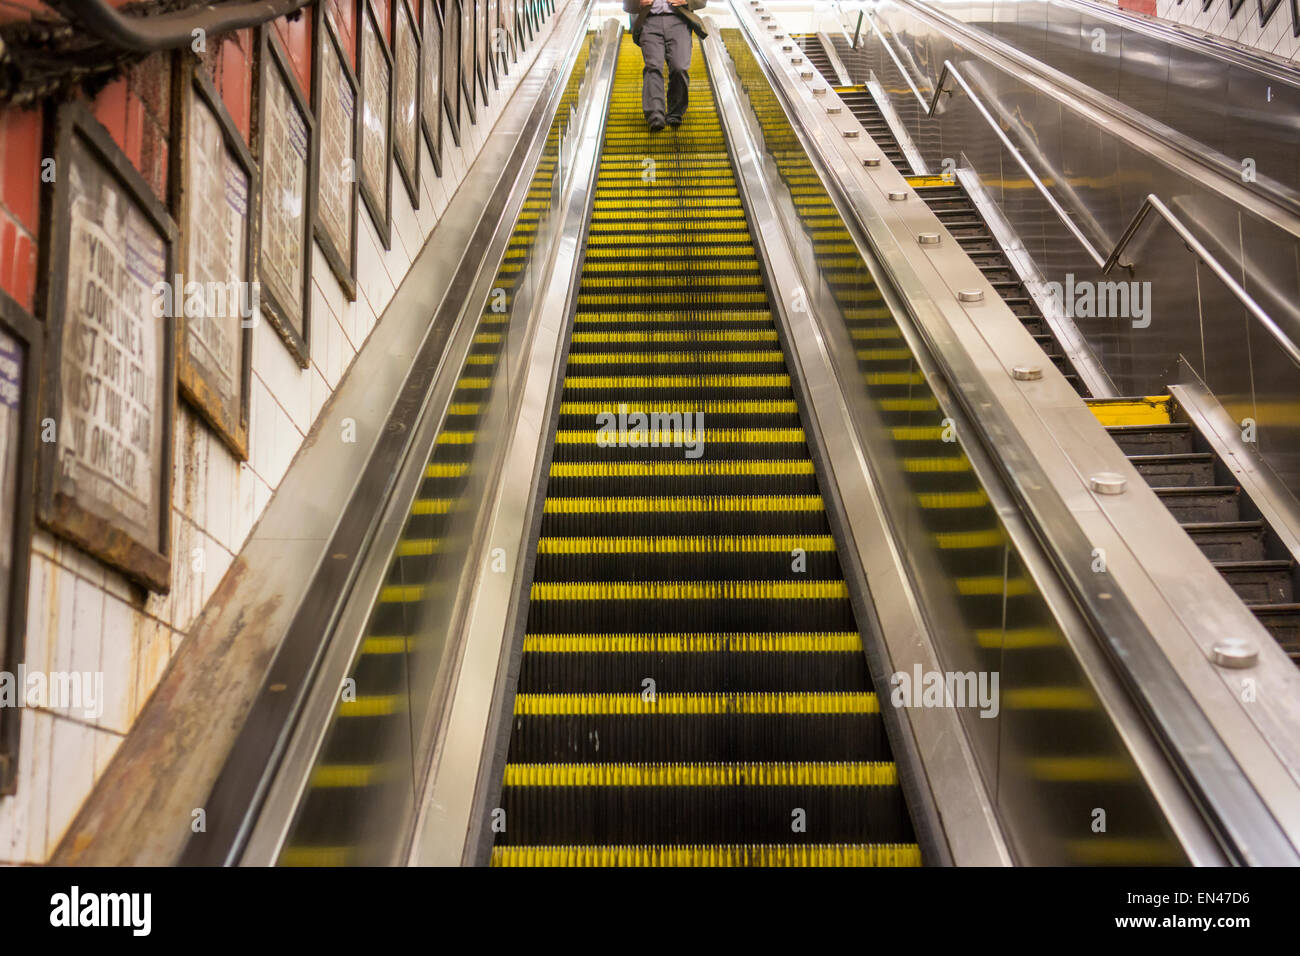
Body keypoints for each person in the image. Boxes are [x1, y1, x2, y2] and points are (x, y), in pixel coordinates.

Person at [624, 0, 708, 131]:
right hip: (649, 21)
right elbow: (627, 3)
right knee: (653, 66)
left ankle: (675, 112)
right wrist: (638, 3)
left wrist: (687, 1)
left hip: (679, 20)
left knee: (679, 67)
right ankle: (655, 115)